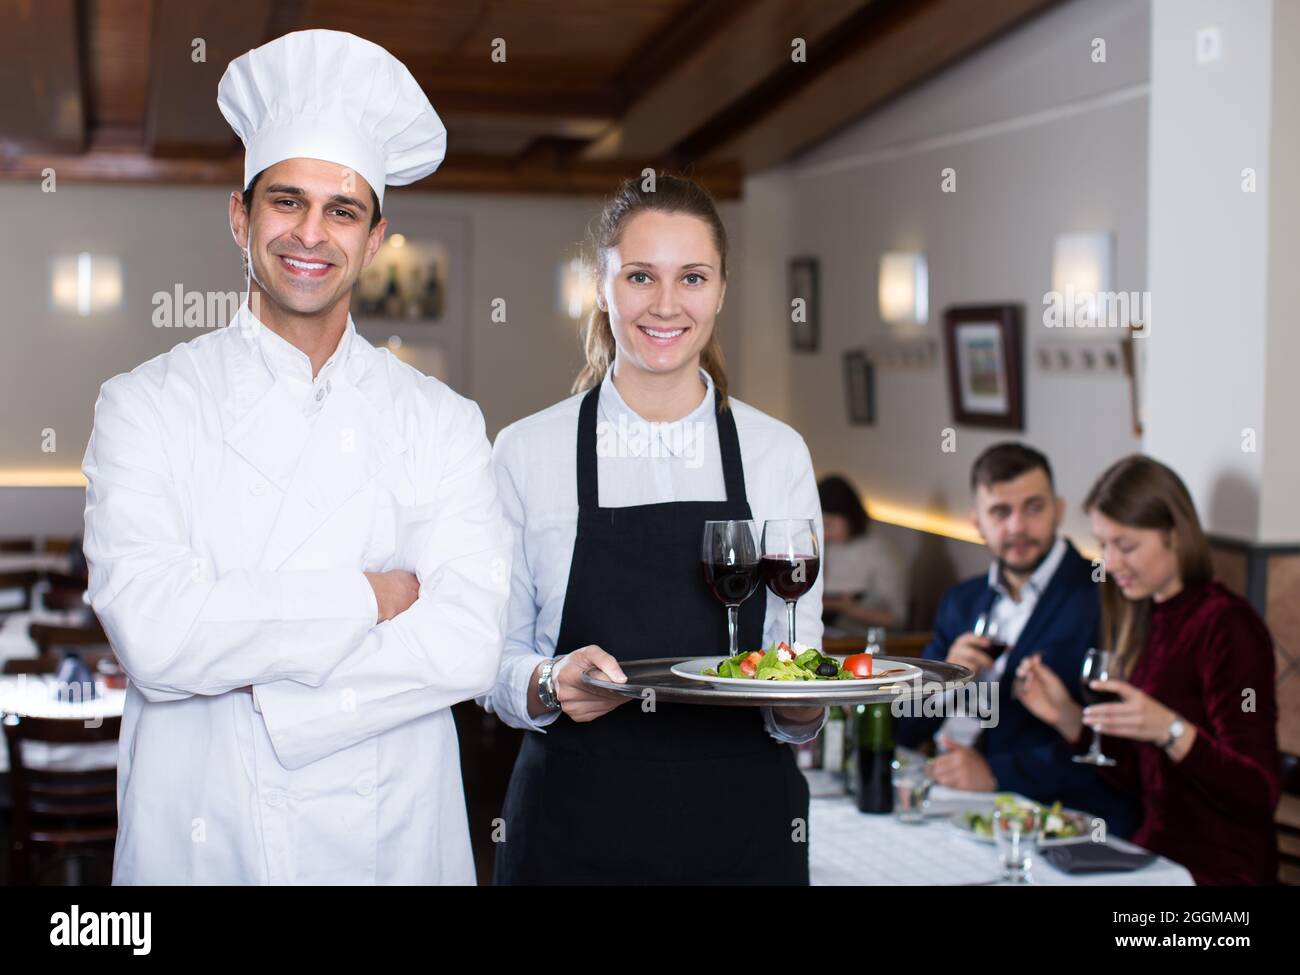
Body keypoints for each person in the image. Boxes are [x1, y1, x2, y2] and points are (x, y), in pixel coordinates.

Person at [82, 30, 511, 884]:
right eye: (286, 201)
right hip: (204, 835)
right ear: (240, 216)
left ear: (377, 237)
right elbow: (158, 635)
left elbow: (465, 642)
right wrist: (373, 595)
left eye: (343, 209)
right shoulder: (145, 405)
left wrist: (264, 684)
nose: (311, 232)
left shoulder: (443, 420)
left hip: (392, 837)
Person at [480, 174, 826, 885]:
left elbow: (796, 661)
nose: (666, 304)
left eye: (691, 277)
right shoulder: (526, 450)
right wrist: (547, 681)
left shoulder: (775, 452)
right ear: (602, 286)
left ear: (721, 289)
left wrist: (802, 702)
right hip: (571, 833)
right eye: (640, 275)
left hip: (744, 833)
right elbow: (490, 661)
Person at [1017, 455, 1280, 884]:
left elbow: (1258, 793)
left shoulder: (1229, 627)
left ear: (1174, 535)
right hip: (1152, 858)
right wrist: (1066, 716)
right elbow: (1140, 777)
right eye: (1103, 545)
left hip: (1220, 872)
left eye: (1126, 546)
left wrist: (1172, 731)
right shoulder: (1145, 617)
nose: (1110, 562)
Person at [895, 443, 1138, 836]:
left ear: (1058, 510)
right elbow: (905, 729)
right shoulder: (961, 601)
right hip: (949, 804)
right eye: (1000, 512)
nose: (1018, 527)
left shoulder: (1105, 597)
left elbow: (1113, 749)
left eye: (1034, 508)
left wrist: (994, 774)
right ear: (977, 522)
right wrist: (943, 682)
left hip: (1054, 816)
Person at [817, 474, 908, 632]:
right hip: (827, 632)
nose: (825, 533)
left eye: (829, 524)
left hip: (860, 640)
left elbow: (898, 618)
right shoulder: (828, 545)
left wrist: (850, 609)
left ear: (849, 516)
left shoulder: (881, 551)